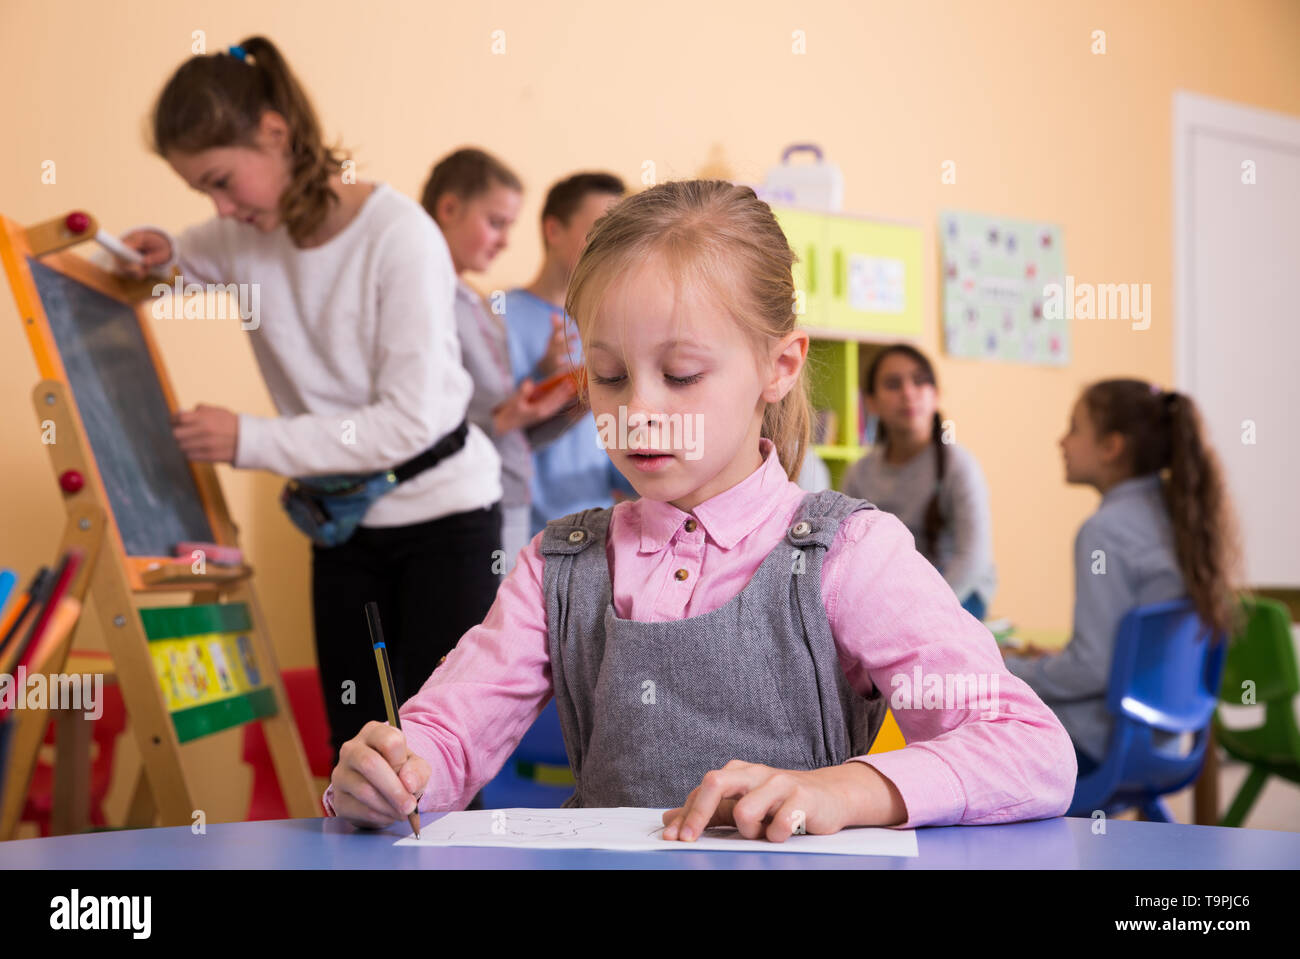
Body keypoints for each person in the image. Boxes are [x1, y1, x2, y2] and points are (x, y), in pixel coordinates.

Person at [326, 180, 1074, 840]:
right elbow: (447, 737)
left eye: (680, 374)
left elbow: (1031, 748)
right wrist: (393, 770)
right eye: (610, 374)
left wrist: (845, 789)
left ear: (778, 367)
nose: (639, 409)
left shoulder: (852, 552)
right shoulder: (557, 565)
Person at [119, 37, 503, 763]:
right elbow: (179, 256)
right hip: (343, 527)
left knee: (438, 760)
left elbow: (409, 420)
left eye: (223, 181)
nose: (219, 206)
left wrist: (248, 439)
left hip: (446, 523)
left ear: (275, 132)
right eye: (203, 192)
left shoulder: (399, 238)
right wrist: (159, 253)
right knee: (352, 755)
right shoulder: (241, 235)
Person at [1003, 380, 1240, 776]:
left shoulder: (1105, 531)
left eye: (1074, 428)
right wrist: (1062, 661)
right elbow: (1116, 657)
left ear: (1112, 447)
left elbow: (1093, 669)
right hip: (1165, 740)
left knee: (968, 729)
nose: (1062, 441)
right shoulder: (1178, 518)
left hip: (1098, 746)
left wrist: (1005, 671)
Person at [420, 148, 579, 572]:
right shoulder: (420, 300)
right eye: (495, 223)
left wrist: (563, 395)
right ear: (449, 208)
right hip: (456, 505)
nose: (506, 241)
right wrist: (504, 419)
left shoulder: (476, 305)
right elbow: (414, 422)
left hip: (503, 497)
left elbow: (505, 423)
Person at [502, 172, 635, 535]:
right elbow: (484, 431)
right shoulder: (496, 318)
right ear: (553, 230)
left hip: (593, 534)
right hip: (517, 534)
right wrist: (544, 378)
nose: (610, 248)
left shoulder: (612, 325)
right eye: (597, 233)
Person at [843, 345, 998, 620]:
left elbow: (973, 559)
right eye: (893, 384)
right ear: (871, 402)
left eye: (920, 381)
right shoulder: (859, 473)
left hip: (957, 591)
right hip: (888, 592)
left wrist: (923, 609)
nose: (908, 393)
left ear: (936, 395)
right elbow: (847, 555)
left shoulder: (959, 466)